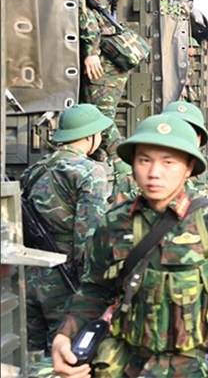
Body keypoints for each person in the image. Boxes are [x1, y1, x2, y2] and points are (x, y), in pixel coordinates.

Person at [51, 114, 208, 377]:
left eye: (168, 162)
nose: (154, 173)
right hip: (138, 363)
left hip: (204, 363)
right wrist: (64, 335)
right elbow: (94, 290)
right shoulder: (114, 224)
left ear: (188, 168)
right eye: (144, 160)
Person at [21, 104, 113, 353]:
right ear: (89, 136)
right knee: (64, 353)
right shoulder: (90, 172)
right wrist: (92, 287)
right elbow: (89, 235)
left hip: (31, 274)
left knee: (29, 356)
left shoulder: (35, 169)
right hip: (65, 277)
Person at [77, 0, 129, 172]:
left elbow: (91, 17)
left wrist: (92, 53)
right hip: (106, 56)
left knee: (101, 116)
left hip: (104, 57)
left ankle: (124, 168)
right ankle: (98, 161)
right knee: (94, 112)